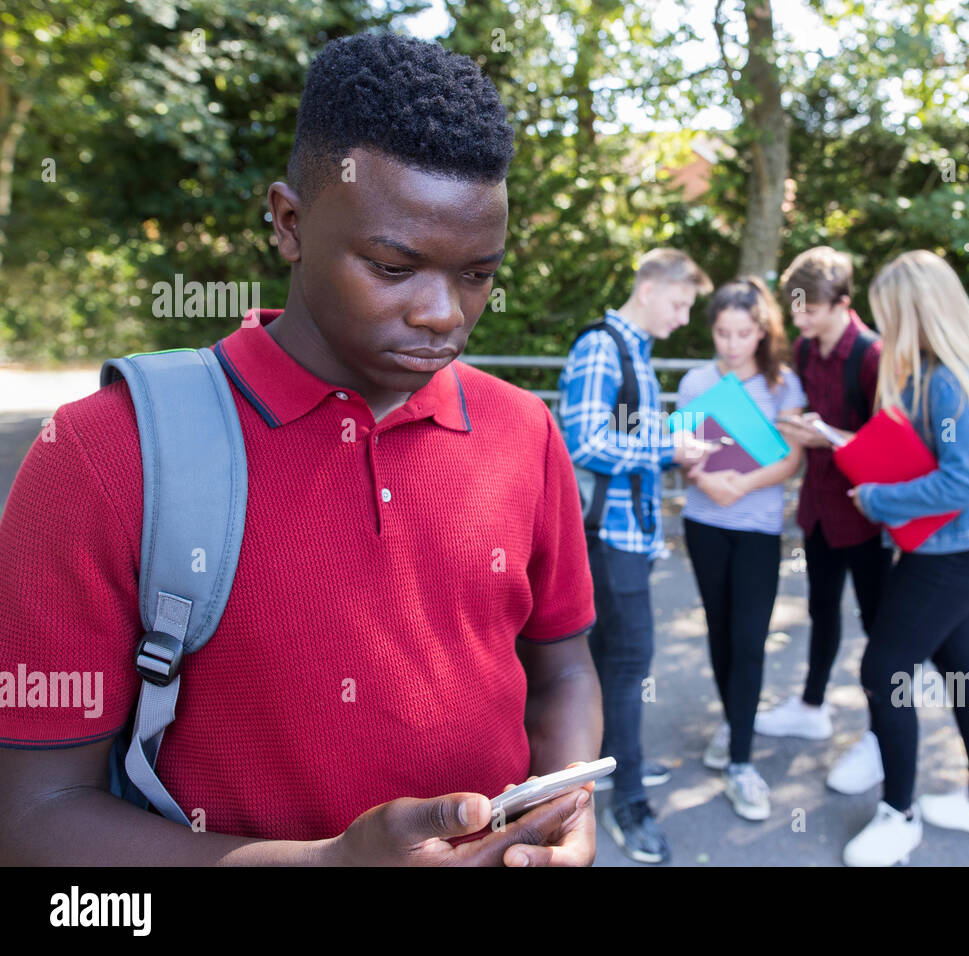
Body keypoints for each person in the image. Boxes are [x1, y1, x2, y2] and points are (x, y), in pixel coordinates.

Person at [0, 32, 603, 867]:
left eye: (477, 274)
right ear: (288, 223)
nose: (442, 313)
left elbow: (564, 670)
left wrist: (569, 804)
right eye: (394, 266)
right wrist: (324, 864)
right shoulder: (105, 454)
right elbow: (34, 818)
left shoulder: (523, 431)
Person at [841, 249, 969, 867]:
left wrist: (875, 495)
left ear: (916, 312)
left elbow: (961, 482)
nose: (882, 329)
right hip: (964, 545)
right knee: (963, 668)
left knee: (884, 670)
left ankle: (899, 814)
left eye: (889, 316)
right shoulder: (959, 369)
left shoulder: (949, 379)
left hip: (950, 551)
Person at [558, 248, 716, 863]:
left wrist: (668, 444)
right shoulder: (603, 346)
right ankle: (626, 801)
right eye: (679, 303)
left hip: (630, 537)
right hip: (609, 538)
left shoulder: (636, 354)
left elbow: (618, 439)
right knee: (628, 662)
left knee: (608, 662)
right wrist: (669, 444)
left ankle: (608, 762)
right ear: (649, 287)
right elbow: (586, 438)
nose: (682, 319)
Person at [760, 246, 891, 796]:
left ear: (841, 303)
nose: (799, 320)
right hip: (818, 512)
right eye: (795, 309)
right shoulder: (810, 350)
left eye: (809, 309)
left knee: (882, 631)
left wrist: (830, 439)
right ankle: (812, 706)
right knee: (821, 611)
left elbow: (892, 442)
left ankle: (885, 736)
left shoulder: (873, 355)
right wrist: (798, 425)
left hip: (865, 516)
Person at [676, 277, 805, 822]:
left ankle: (741, 762)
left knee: (750, 640)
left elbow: (792, 458)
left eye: (742, 333)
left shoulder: (784, 386)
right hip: (705, 523)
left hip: (756, 527)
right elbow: (684, 450)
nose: (730, 344)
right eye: (722, 333)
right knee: (720, 631)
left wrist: (740, 486)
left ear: (762, 332)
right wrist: (707, 482)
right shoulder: (695, 380)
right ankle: (734, 721)